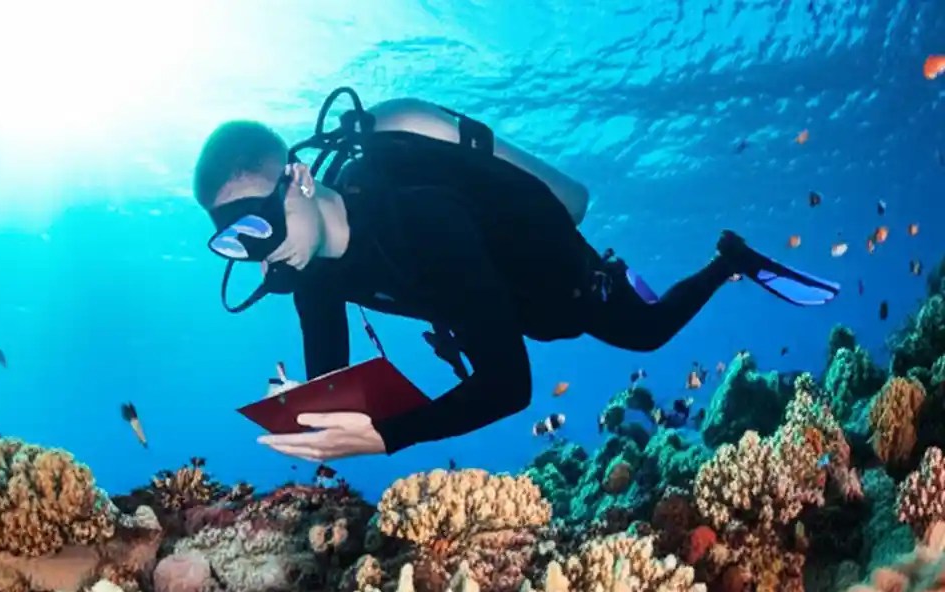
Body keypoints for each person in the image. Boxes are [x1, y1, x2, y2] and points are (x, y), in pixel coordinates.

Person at [192, 90, 839, 462]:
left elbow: (511, 387)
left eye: (258, 225)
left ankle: (731, 259)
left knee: (647, 334)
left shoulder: (419, 218)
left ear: (299, 180)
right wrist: (311, 404)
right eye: (234, 241)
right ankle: (700, 265)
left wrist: (389, 435)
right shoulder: (307, 270)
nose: (259, 253)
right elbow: (335, 377)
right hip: (487, 309)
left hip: (560, 286)